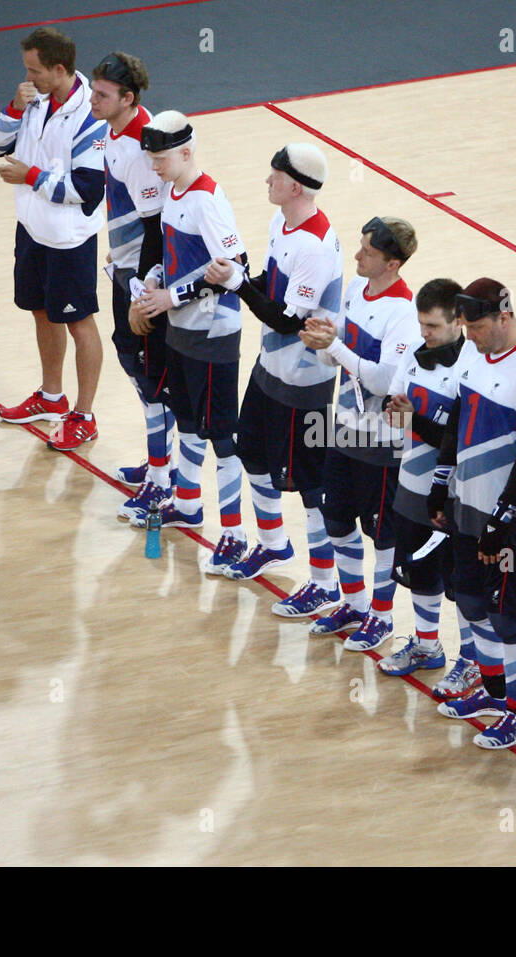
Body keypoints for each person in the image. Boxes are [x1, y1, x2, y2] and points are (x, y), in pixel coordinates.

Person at [204, 144, 344, 618]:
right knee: (253, 454)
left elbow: (287, 319)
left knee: (310, 484)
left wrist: (237, 285)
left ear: (296, 186)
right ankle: (273, 543)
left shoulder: (315, 245)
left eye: (275, 175)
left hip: (305, 385)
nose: (267, 181)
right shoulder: (283, 225)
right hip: (271, 370)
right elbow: (272, 282)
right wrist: (243, 276)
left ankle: (326, 584)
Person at [428, 279, 516, 750]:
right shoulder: (474, 350)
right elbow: (458, 416)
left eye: (478, 325)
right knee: (469, 598)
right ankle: (492, 692)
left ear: (504, 316)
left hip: (513, 517)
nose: (470, 334)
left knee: (505, 613)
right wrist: (441, 483)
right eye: (464, 324)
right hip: (468, 503)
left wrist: (500, 519)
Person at [130, 111, 249, 571]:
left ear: (185, 152)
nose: (154, 167)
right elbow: (175, 254)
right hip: (183, 329)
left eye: (160, 158)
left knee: (222, 435)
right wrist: (154, 279)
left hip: (214, 333)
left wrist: (172, 295)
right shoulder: (173, 192)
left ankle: (235, 533)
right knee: (188, 420)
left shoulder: (208, 200)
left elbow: (234, 266)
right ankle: (188, 502)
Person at [298, 217, 421, 651]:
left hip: (383, 440)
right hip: (346, 429)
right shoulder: (356, 289)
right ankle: (353, 603)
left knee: (382, 534)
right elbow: (343, 359)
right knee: (336, 519)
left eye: (367, 251)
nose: (357, 256)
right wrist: (325, 342)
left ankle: (382, 617)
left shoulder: (404, 312)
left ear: (393, 262)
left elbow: (386, 381)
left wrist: (334, 348)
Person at [0, 27, 107, 451]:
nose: (28, 78)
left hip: (69, 239)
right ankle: (52, 397)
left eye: (34, 71)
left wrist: (30, 176)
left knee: (78, 322)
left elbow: (89, 189)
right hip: (32, 228)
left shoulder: (90, 115)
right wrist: (15, 106)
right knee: (40, 311)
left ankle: (85, 415)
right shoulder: (34, 99)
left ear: (60, 69)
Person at [378, 279, 492, 699]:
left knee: (461, 584)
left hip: (452, 496)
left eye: (433, 327)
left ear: (458, 323)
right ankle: (427, 645)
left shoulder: (473, 369)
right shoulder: (413, 353)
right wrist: (394, 413)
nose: (424, 334)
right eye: (421, 324)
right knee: (419, 572)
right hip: (410, 484)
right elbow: (395, 402)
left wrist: (415, 421)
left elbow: (464, 437)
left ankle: (472, 661)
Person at [87, 52, 173, 518]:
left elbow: (155, 227)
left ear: (128, 98)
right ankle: (162, 463)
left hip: (142, 277)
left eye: (102, 95)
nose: (93, 100)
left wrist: (140, 284)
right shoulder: (115, 130)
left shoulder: (143, 145)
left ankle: (164, 478)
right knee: (137, 368)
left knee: (150, 376)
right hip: (125, 267)